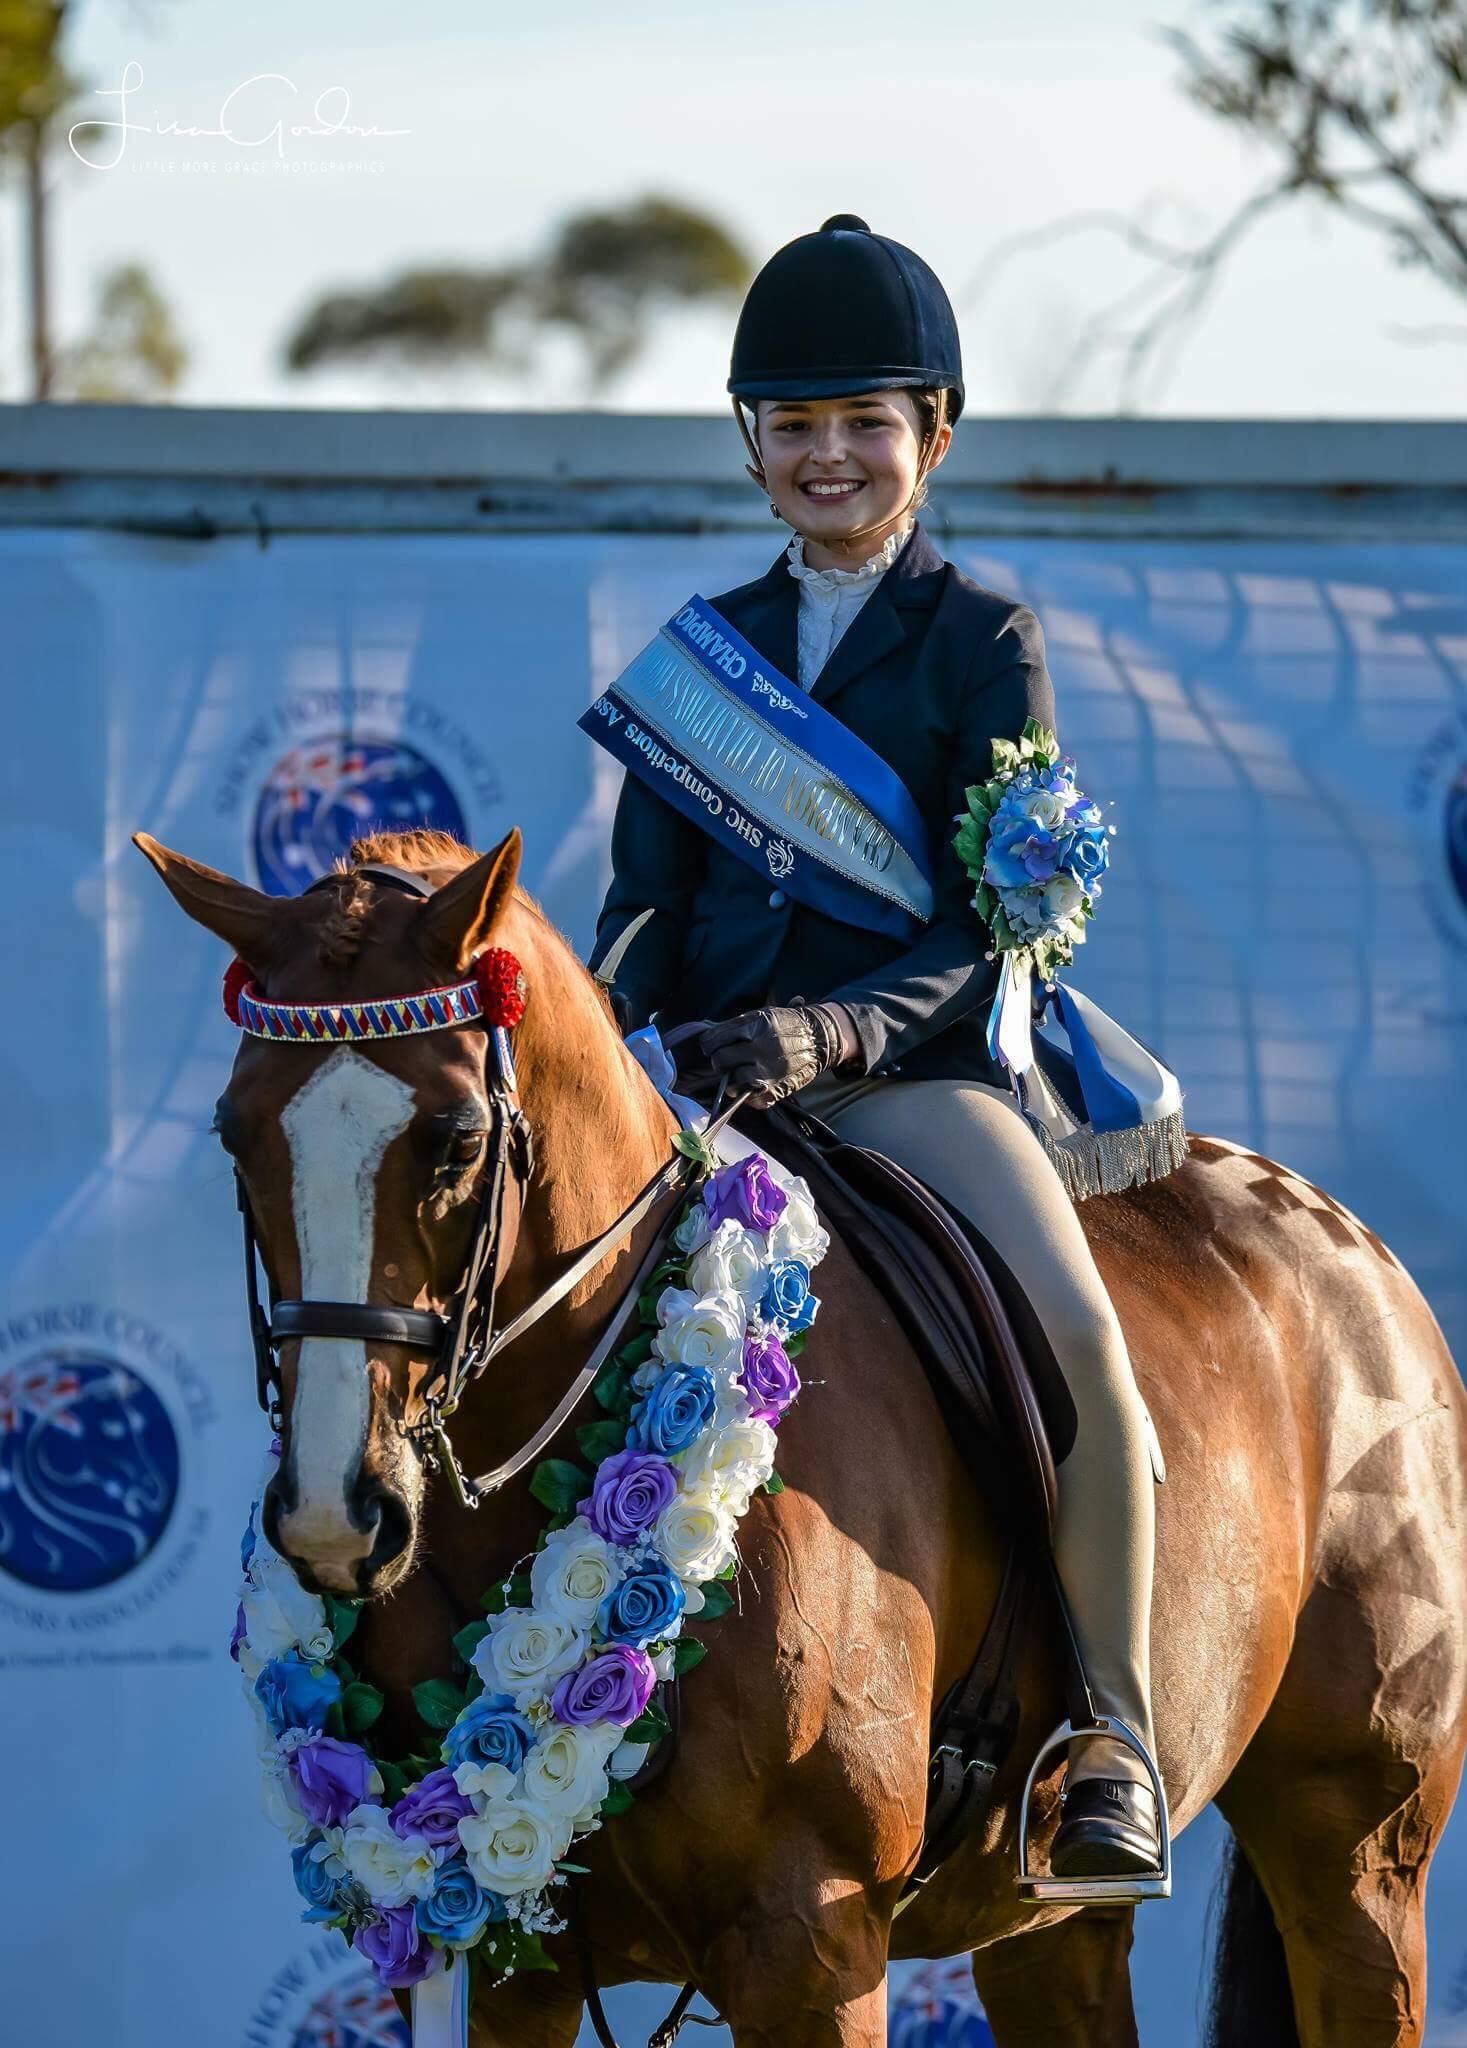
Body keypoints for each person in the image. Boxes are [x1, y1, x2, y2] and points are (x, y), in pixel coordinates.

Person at [587, 215, 1169, 1883]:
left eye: (865, 422)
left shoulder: (984, 640)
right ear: (751, 443)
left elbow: (997, 927)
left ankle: (1108, 1730)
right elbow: (643, 906)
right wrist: (619, 1034)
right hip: (707, 1080)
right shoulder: (706, 652)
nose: (828, 453)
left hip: (908, 1080)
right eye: (796, 424)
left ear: (936, 433)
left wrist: (830, 1025)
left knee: (1082, 1346)